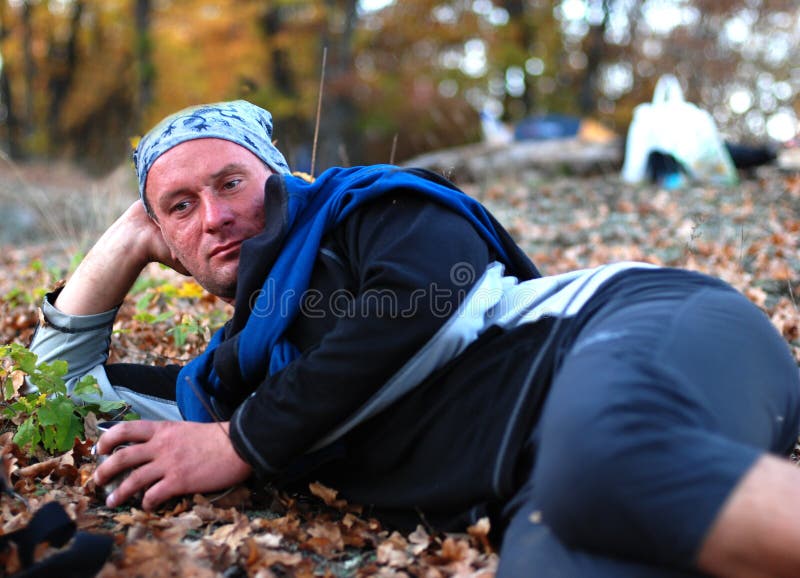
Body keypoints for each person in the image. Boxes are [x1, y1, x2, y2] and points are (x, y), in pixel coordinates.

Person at [28, 100, 800, 577]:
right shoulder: (224, 381)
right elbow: (59, 391)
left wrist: (241, 441)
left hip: (636, 331)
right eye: (180, 207)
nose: (216, 217)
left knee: (606, 457)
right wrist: (126, 239)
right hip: (547, 481)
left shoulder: (365, 209)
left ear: (280, 179)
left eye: (230, 182)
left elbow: (417, 303)